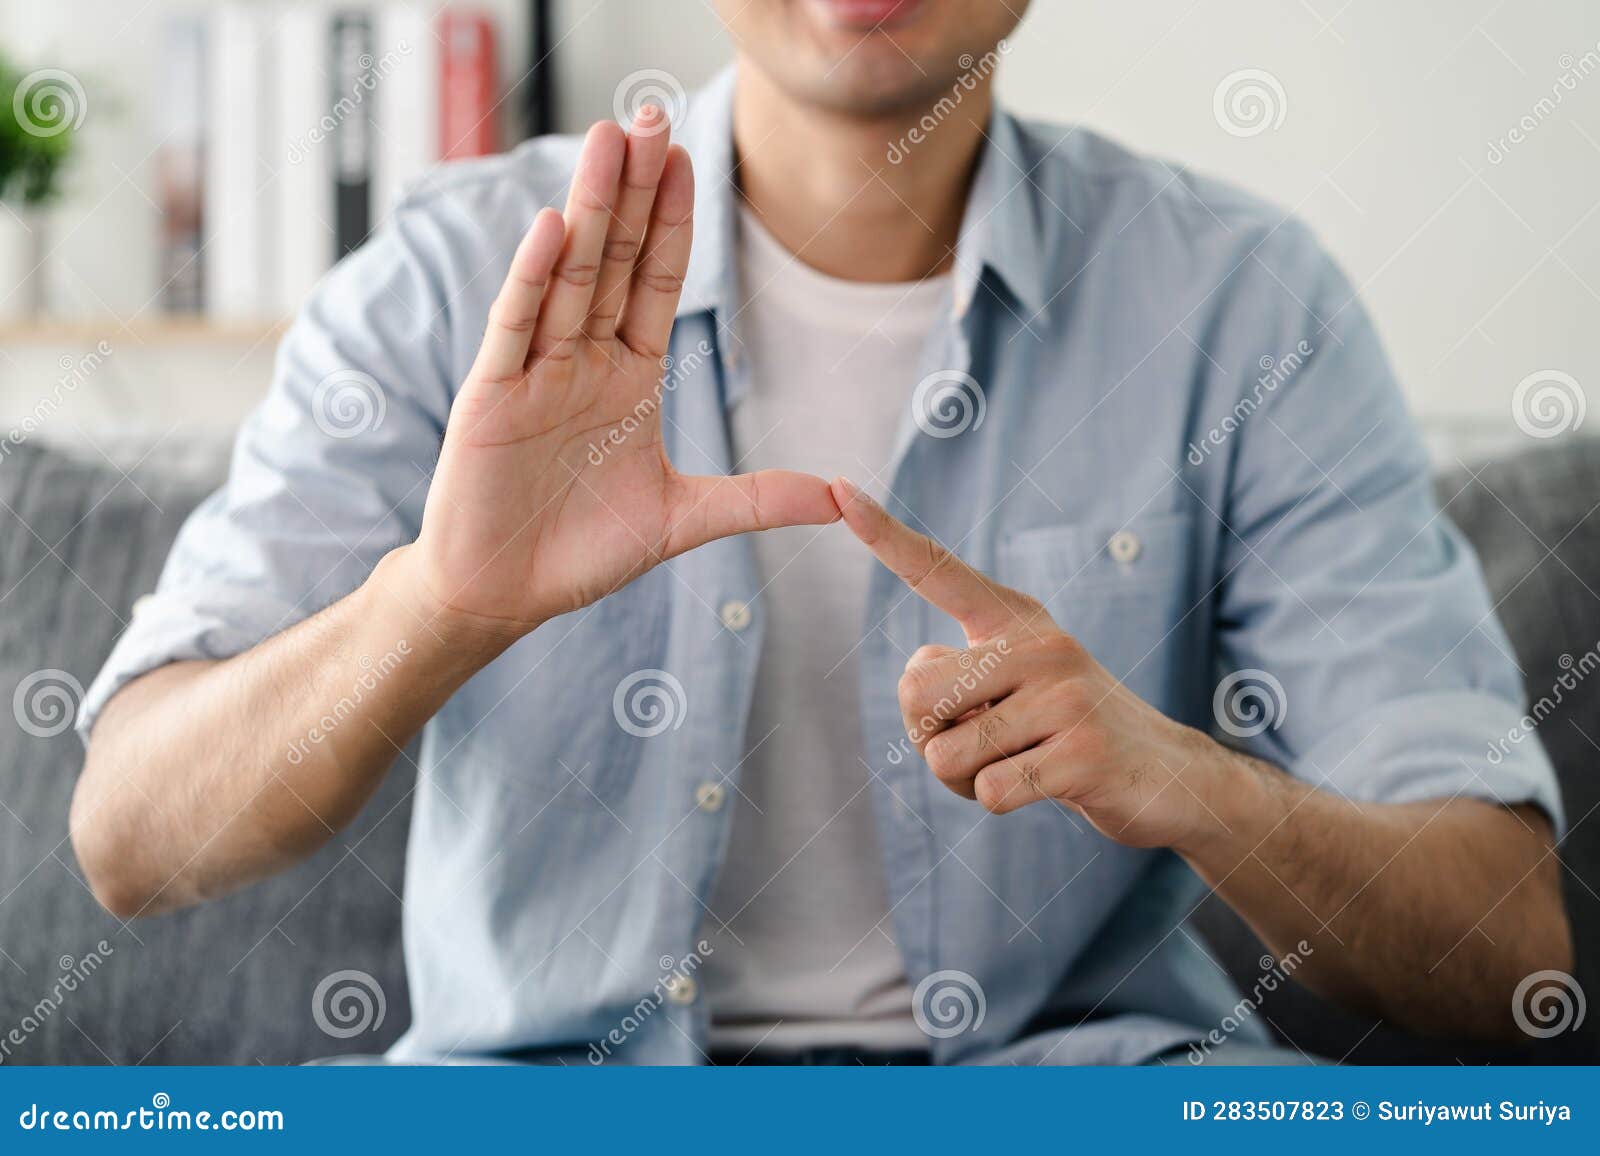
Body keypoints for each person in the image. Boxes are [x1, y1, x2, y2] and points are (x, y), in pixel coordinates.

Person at [72, 0, 1569, 1065]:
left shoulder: (1246, 307)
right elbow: (130, 839)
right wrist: (434, 607)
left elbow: (1513, 959)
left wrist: (1193, 782)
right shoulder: (449, 280)